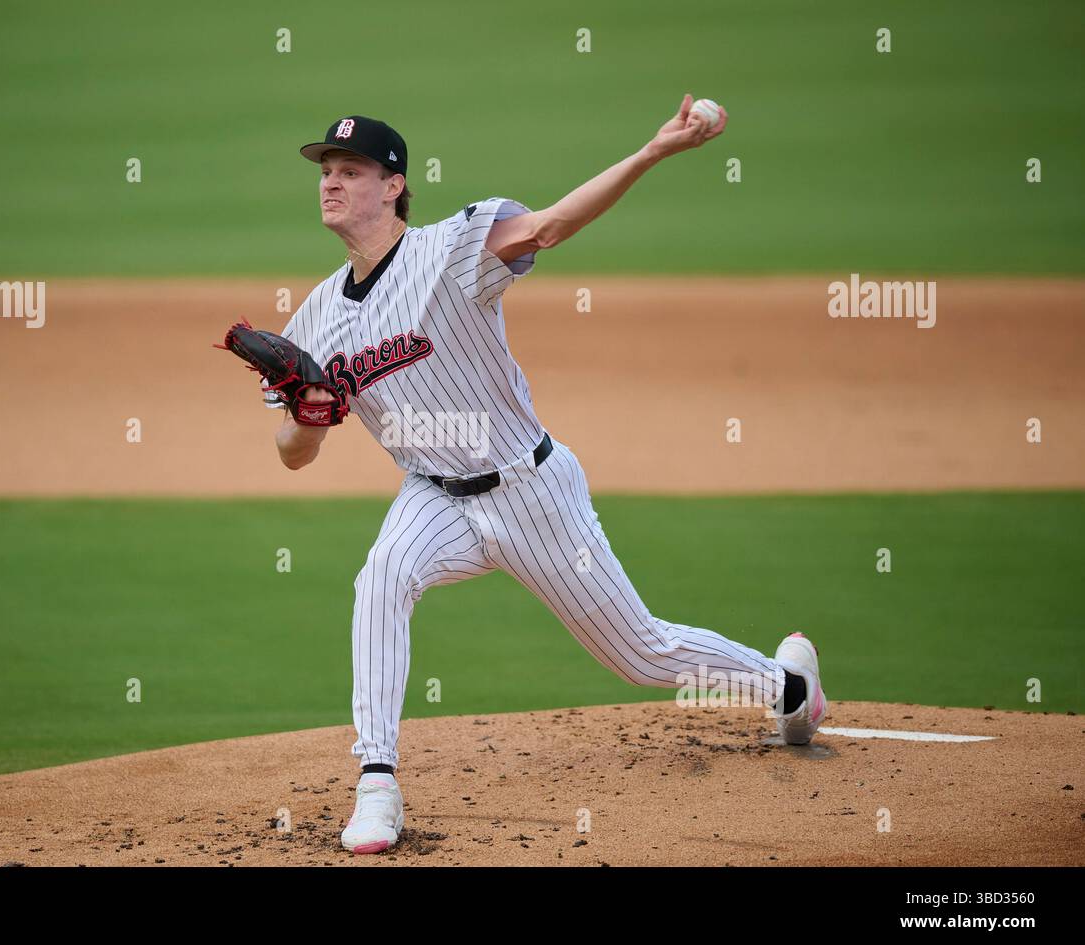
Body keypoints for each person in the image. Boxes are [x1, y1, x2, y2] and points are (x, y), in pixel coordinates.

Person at [270, 101, 827, 855]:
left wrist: (654, 149)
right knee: (381, 579)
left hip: (532, 493)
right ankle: (377, 784)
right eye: (326, 173)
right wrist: (309, 413)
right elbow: (292, 452)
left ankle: (787, 688)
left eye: (351, 171)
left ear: (395, 185)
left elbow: (553, 224)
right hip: (432, 496)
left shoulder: (451, 251)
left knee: (640, 654)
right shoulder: (315, 318)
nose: (331, 184)